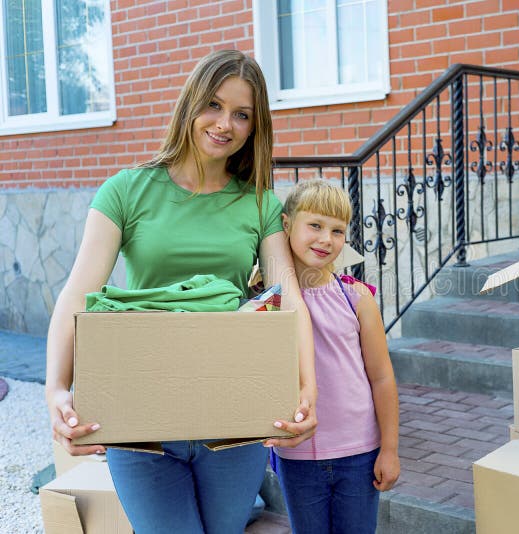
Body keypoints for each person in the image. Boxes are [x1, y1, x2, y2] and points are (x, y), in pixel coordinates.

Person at [45, 49, 317, 533]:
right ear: (190, 104)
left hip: (233, 413)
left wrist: (306, 389)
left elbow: (287, 298)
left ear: (255, 127)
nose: (224, 124)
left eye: (242, 114)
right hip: (142, 415)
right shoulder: (126, 191)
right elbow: (77, 294)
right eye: (213, 105)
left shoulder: (259, 203)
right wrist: (56, 390)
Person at [273, 179, 401, 534]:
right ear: (287, 225)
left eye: (337, 230)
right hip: (297, 457)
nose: (326, 239)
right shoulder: (269, 302)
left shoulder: (357, 298)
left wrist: (389, 449)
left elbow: (382, 377)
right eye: (314, 225)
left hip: (358, 454)